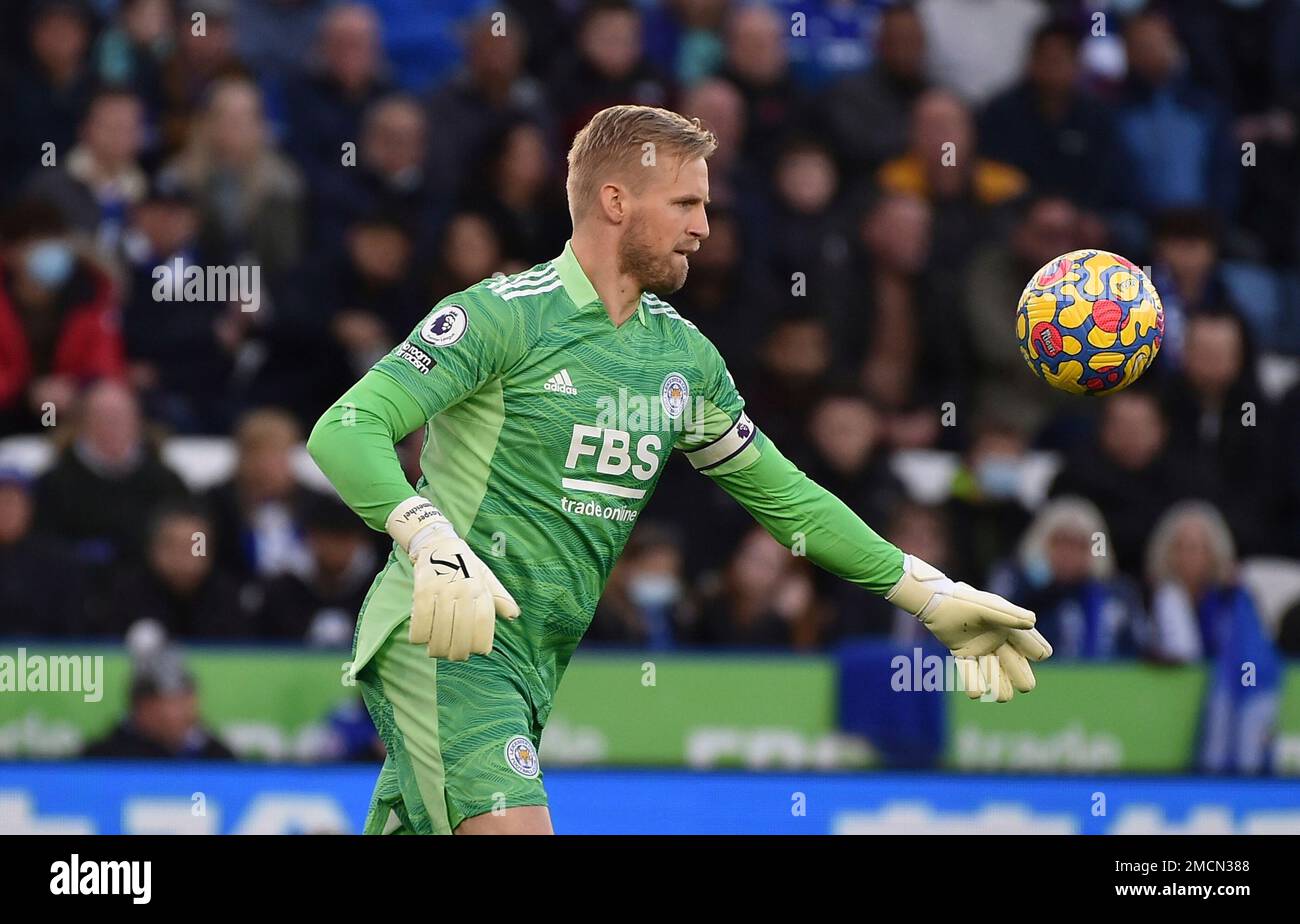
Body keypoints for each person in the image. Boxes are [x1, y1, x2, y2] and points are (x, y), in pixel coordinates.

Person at [307, 104, 1052, 835]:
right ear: (615, 201)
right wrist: (428, 536)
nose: (703, 227)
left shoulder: (684, 360)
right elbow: (346, 427)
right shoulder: (503, 316)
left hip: (534, 665)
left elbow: (786, 498)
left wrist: (930, 592)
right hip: (446, 640)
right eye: (686, 203)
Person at [83, 648, 236, 759]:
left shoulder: (216, 757)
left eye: (184, 697)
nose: (178, 712)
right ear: (140, 706)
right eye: (168, 701)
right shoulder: (105, 758)